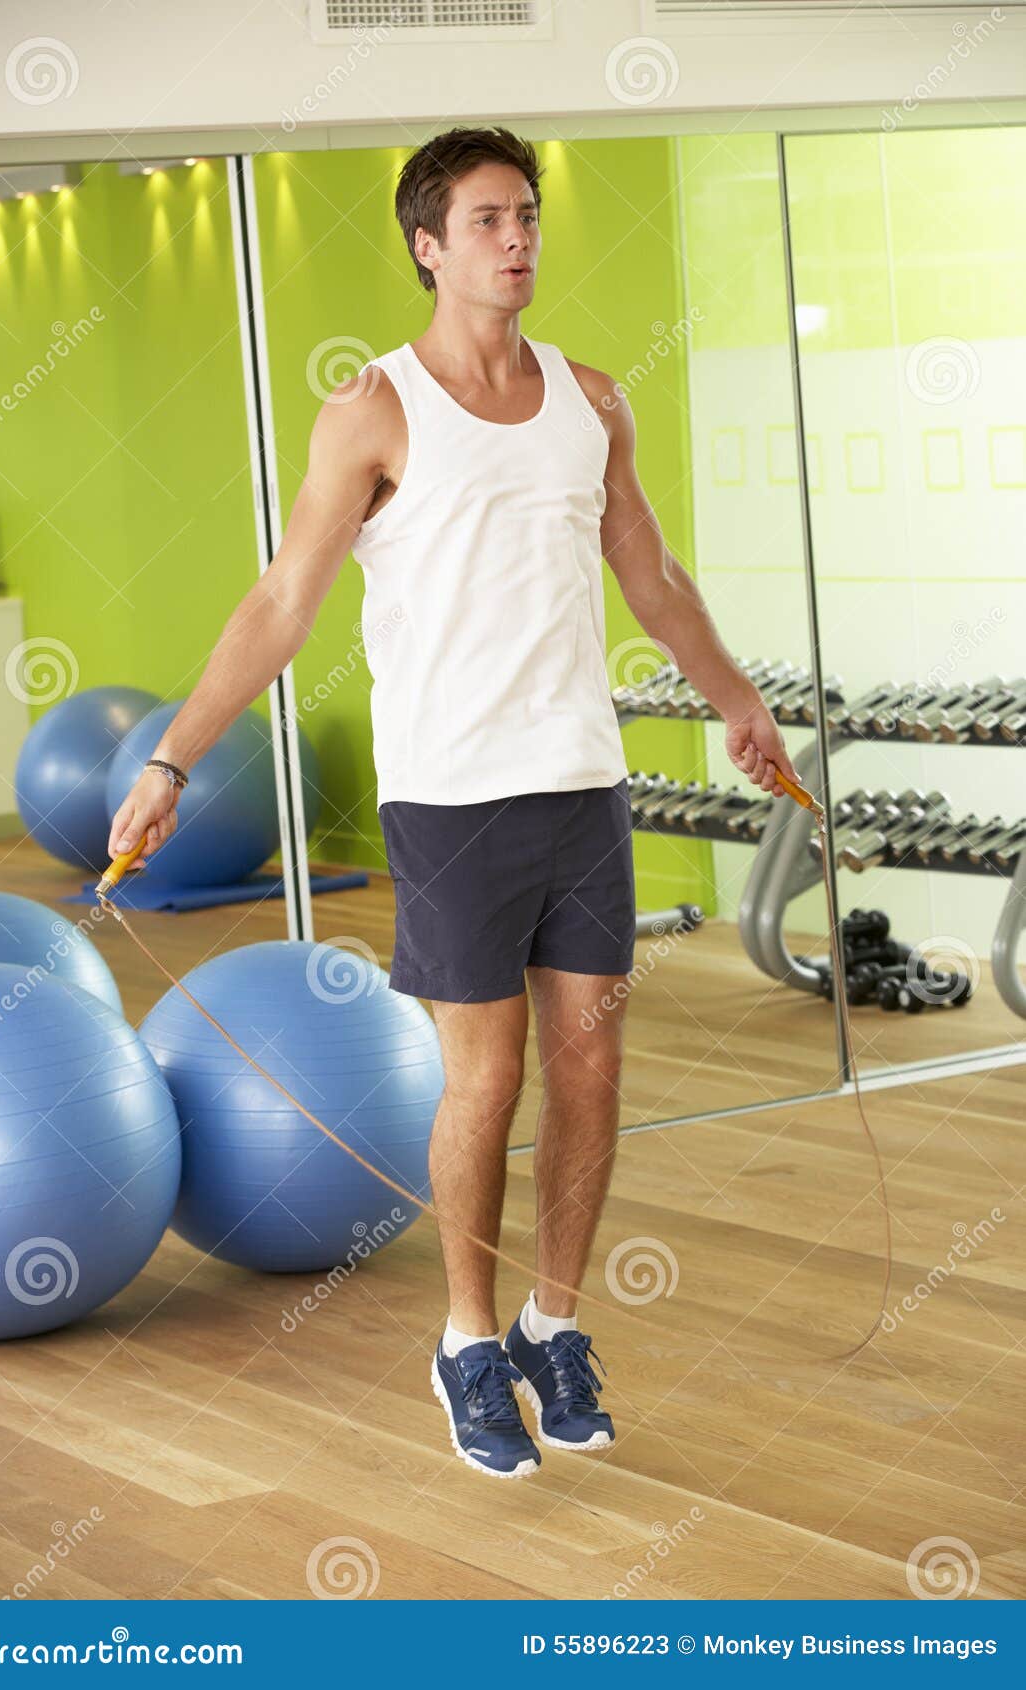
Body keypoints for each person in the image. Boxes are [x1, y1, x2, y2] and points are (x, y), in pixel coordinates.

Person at [107, 125, 802, 1482]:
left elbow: (652, 578)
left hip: (581, 782)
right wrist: (173, 758)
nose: (518, 236)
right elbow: (283, 601)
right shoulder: (374, 409)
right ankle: (468, 1340)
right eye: (487, 219)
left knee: (593, 1064)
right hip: (452, 796)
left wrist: (737, 700)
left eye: (526, 214)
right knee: (490, 1072)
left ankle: (555, 1321)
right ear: (429, 247)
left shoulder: (592, 401)